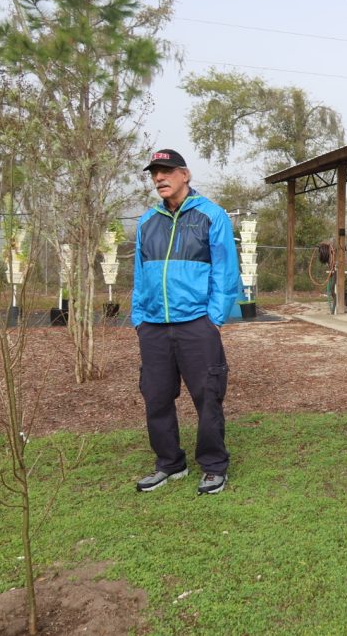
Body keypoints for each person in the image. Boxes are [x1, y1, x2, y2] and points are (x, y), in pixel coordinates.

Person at [132, 149, 241, 495]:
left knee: (207, 395)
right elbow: (138, 273)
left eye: (166, 172)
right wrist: (139, 318)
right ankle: (169, 463)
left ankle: (212, 466)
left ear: (185, 174)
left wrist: (213, 318)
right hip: (153, 325)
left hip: (197, 323)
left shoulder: (212, 215)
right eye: (154, 174)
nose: (159, 178)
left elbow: (226, 271)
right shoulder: (147, 221)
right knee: (156, 397)